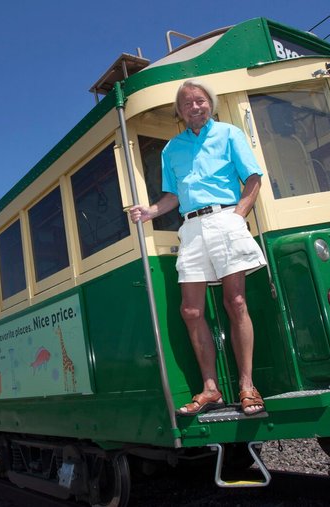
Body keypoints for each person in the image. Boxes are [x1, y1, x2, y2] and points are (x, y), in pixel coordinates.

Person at [128, 79, 267, 416]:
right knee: (190, 311)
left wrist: (238, 217)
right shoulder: (170, 149)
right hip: (190, 227)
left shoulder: (230, 134)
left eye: (201, 101)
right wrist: (151, 211)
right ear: (180, 110)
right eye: (188, 103)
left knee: (235, 302)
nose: (195, 107)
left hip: (225, 219)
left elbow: (253, 179)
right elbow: (173, 196)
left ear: (210, 104)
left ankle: (247, 386)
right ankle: (210, 388)